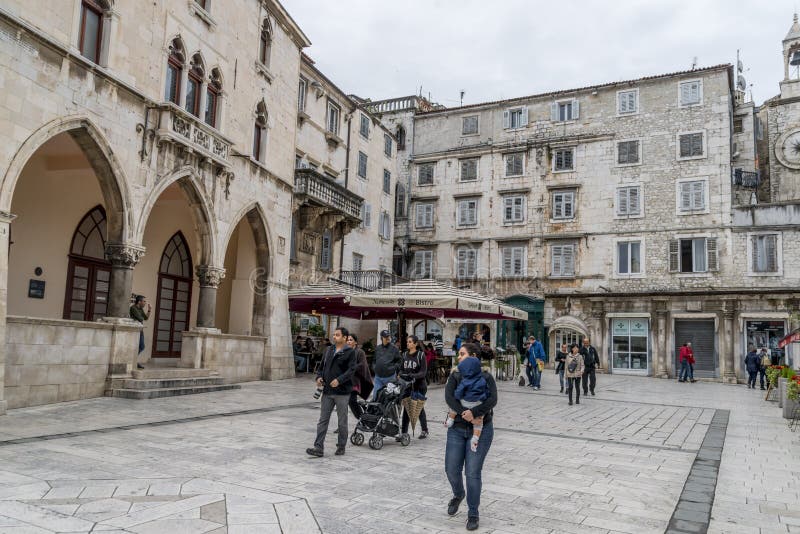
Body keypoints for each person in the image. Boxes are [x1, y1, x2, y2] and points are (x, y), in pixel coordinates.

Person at [444, 342, 497, 531]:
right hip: (457, 429)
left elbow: (492, 400)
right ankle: (458, 494)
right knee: (451, 469)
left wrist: (474, 412)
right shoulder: (455, 375)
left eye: (462, 353)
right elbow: (450, 398)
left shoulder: (486, 377)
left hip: (481, 431)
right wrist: (464, 412)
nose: (458, 357)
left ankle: (473, 513)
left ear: (473, 356)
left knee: (472, 473)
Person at [306, 327, 356, 457]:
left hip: (342, 393)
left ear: (345, 337)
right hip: (327, 391)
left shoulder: (350, 352)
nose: (334, 337)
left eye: (337, 335)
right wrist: (318, 377)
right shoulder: (329, 350)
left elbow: (351, 371)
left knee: (342, 422)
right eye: (334, 335)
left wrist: (339, 380)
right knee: (323, 420)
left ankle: (341, 446)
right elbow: (321, 367)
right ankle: (318, 448)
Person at [445, 355, 489, 452]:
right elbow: (486, 392)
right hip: (478, 403)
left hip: (465, 402)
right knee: (479, 423)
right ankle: (475, 439)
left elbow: (459, 391)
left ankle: (450, 419)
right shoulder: (482, 378)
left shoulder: (465, 380)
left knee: (453, 408)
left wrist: (457, 396)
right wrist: (482, 400)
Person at [400, 335, 429, 439]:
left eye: (410, 342)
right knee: (407, 407)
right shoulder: (404, 355)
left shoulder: (421, 355)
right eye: (407, 342)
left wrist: (413, 376)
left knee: (418, 407)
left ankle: (424, 430)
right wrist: (401, 374)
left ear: (415, 344)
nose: (408, 343)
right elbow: (401, 369)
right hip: (408, 385)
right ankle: (404, 432)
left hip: (419, 385)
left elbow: (423, 372)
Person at [346, 334, 373, 420]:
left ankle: (362, 419)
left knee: (351, 401)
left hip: (355, 381)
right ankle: (342, 425)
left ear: (355, 342)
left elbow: (362, 364)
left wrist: (352, 368)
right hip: (345, 381)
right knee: (343, 403)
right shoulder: (345, 351)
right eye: (348, 340)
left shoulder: (360, 352)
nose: (349, 341)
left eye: (351, 340)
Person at [373, 329, 402, 399]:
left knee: (389, 398)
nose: (388, 338)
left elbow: (399, 361)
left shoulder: (394, 348)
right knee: (375, 397)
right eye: (386, 337)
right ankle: (378, 410)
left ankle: (390, 410)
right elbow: (374, 360)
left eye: (388, 336)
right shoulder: (378, 348)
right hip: (378, 378)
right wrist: (374, 368)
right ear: (381, 338)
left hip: (390, 377)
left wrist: (393, 368)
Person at [129, 295, 151, 370]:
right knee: (136, 346)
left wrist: (149, 310)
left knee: (142, 346)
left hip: (140, 330)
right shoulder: (133, 308)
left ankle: (133, 360)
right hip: (135, 330)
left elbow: (146, 318)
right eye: (144, 301)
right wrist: (141, 317)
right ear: (139, 302)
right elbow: (140, 318)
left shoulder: (141, 309)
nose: (145, 303)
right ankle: (133, 360)